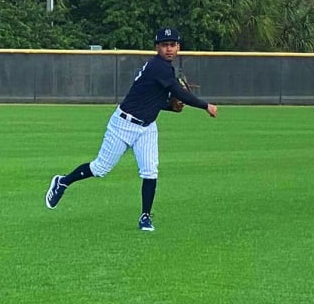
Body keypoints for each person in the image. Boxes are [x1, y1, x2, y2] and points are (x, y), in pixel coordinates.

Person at [44, 27, 216, 232]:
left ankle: (145, 217)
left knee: (150, 171)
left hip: (147, 127)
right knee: (100, 169)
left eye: (172, 45)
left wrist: (171, 106)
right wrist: (205, 106)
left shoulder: (163, 70)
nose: (169, 49)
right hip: (123, 124)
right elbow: (179, 92)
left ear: (178, 47)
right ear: (157, 48)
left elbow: (153, 100)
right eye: (164, 45)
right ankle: (63, 182)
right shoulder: (158, 67)